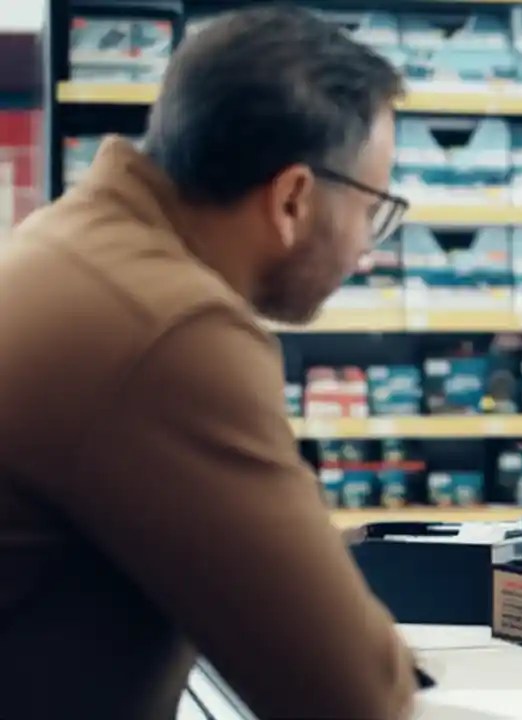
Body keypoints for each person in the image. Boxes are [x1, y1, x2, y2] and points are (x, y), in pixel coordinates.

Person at [0, 6, 421, 718]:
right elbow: (355, 698)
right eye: (373, 210)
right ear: (293, 198)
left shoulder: (74, 241)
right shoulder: (172, 328)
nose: (366, 249)